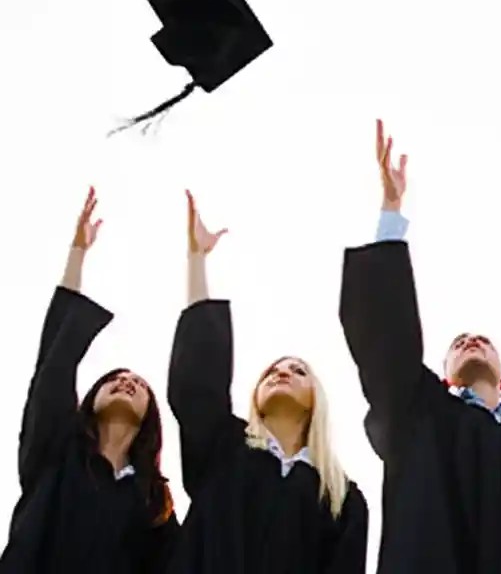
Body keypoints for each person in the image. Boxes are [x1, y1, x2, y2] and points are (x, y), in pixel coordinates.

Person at [339, 120, 501, 574]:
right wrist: (391, 212)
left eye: (483, 341)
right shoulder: (419, 414)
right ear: (444, 373)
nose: (472, 341)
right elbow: (387, 341)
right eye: (460, 343)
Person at [167, 190, 368, 573]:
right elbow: (197, 383)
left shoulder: (343, 498)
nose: (281, 373)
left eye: (298, 370)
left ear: (316, 398)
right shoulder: (223, 448)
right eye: (272, 371)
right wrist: (197, 262)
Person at [0, 186, 179, 574]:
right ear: (90, 400)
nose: (126, 382)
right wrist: (77, 255)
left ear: (151, 414)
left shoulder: (154, 503)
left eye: (139, 383)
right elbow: (51, 366)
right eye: (114, 378)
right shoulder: (56, 453)